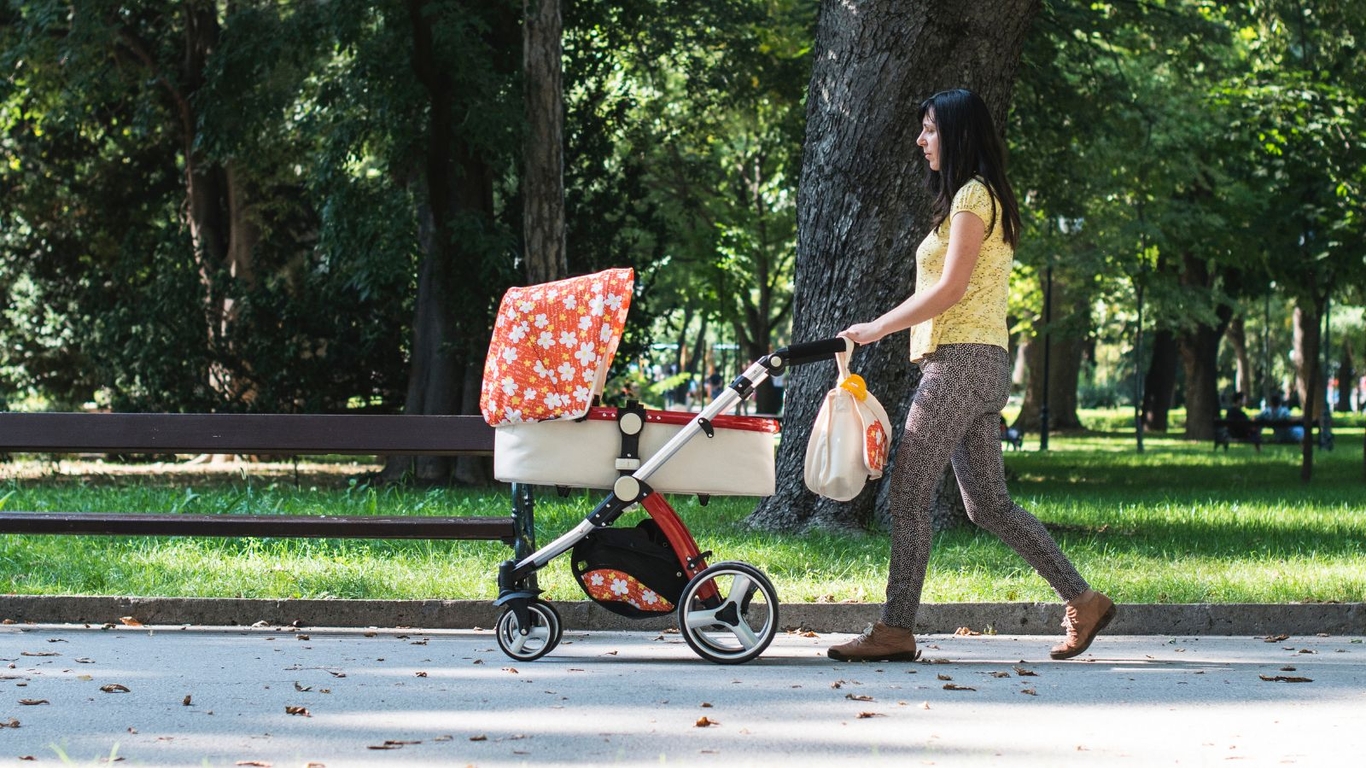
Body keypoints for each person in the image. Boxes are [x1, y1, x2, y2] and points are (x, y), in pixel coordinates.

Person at [829, 89, 1115, 663]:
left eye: (930, 129)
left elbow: (951, 288)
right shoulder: (985, 196)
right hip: (978, 362)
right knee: (987, 505)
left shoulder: (970, 197)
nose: (921, 140)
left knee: (908, 492)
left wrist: (877, 327)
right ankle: (1083, 598)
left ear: (956, 133)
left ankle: (894, 627)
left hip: (958, 363)